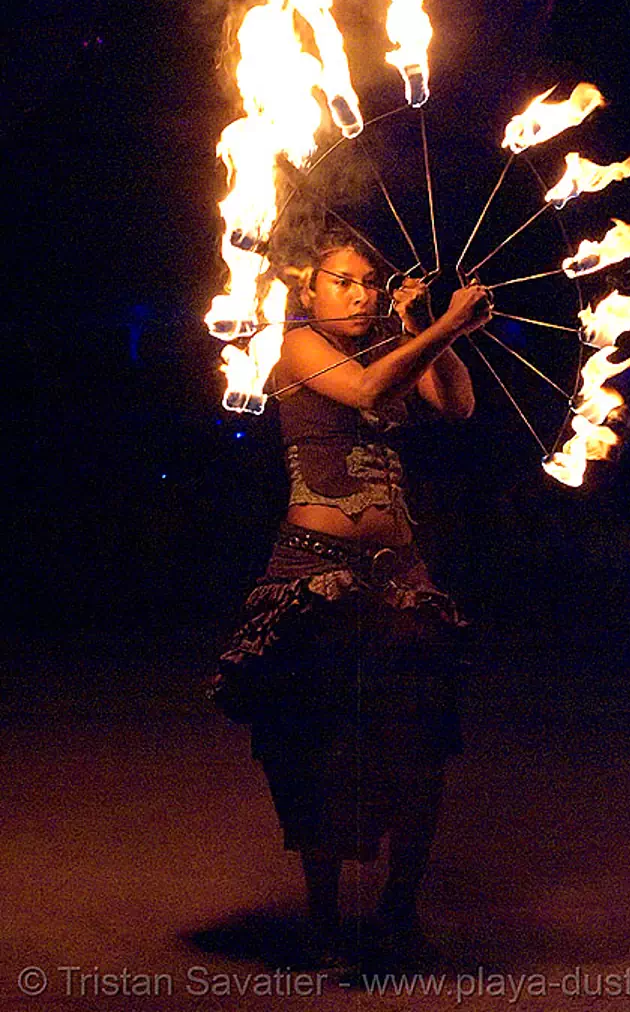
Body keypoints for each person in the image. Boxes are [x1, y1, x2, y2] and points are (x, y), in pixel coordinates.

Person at [211, 229, 491, 967]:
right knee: (325, 743)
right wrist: (444, 324)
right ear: (309, 288)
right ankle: (325, 918)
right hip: (315, 569)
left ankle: (398, 912)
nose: (361, 293)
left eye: (371, 282)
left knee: (420, 743)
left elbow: (457, 405)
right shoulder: (296, 343)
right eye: (344, 281)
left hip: (401, 574)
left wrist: (422, 329)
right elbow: (367, 392)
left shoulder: (390, 350)